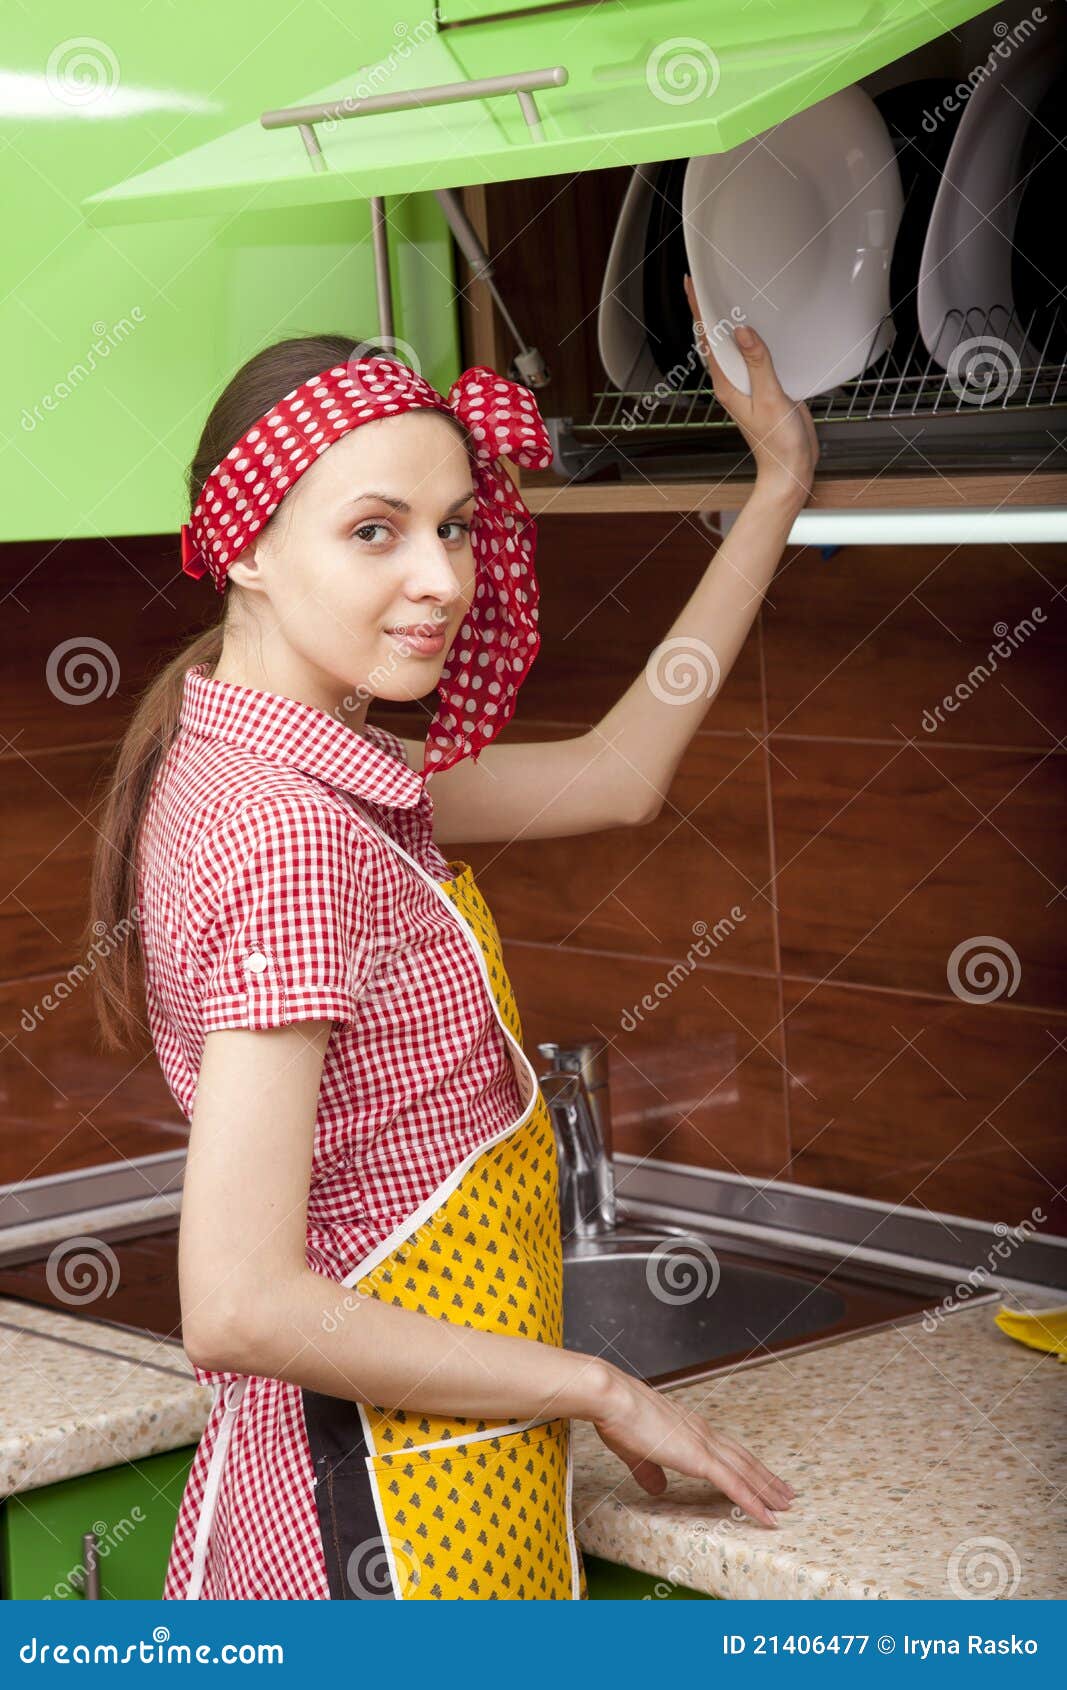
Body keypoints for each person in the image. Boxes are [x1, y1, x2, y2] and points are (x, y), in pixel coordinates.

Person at [85, 290, 817, 1601]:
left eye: (454, 526)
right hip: (373, 1520)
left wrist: (775, 487)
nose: (443, 577)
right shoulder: (291, 834)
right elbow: (240, 1302)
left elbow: (615, 770)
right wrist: (597, 1384)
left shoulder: (289, 763)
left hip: (430, 1487)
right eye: (376, 531)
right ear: (245, 545)